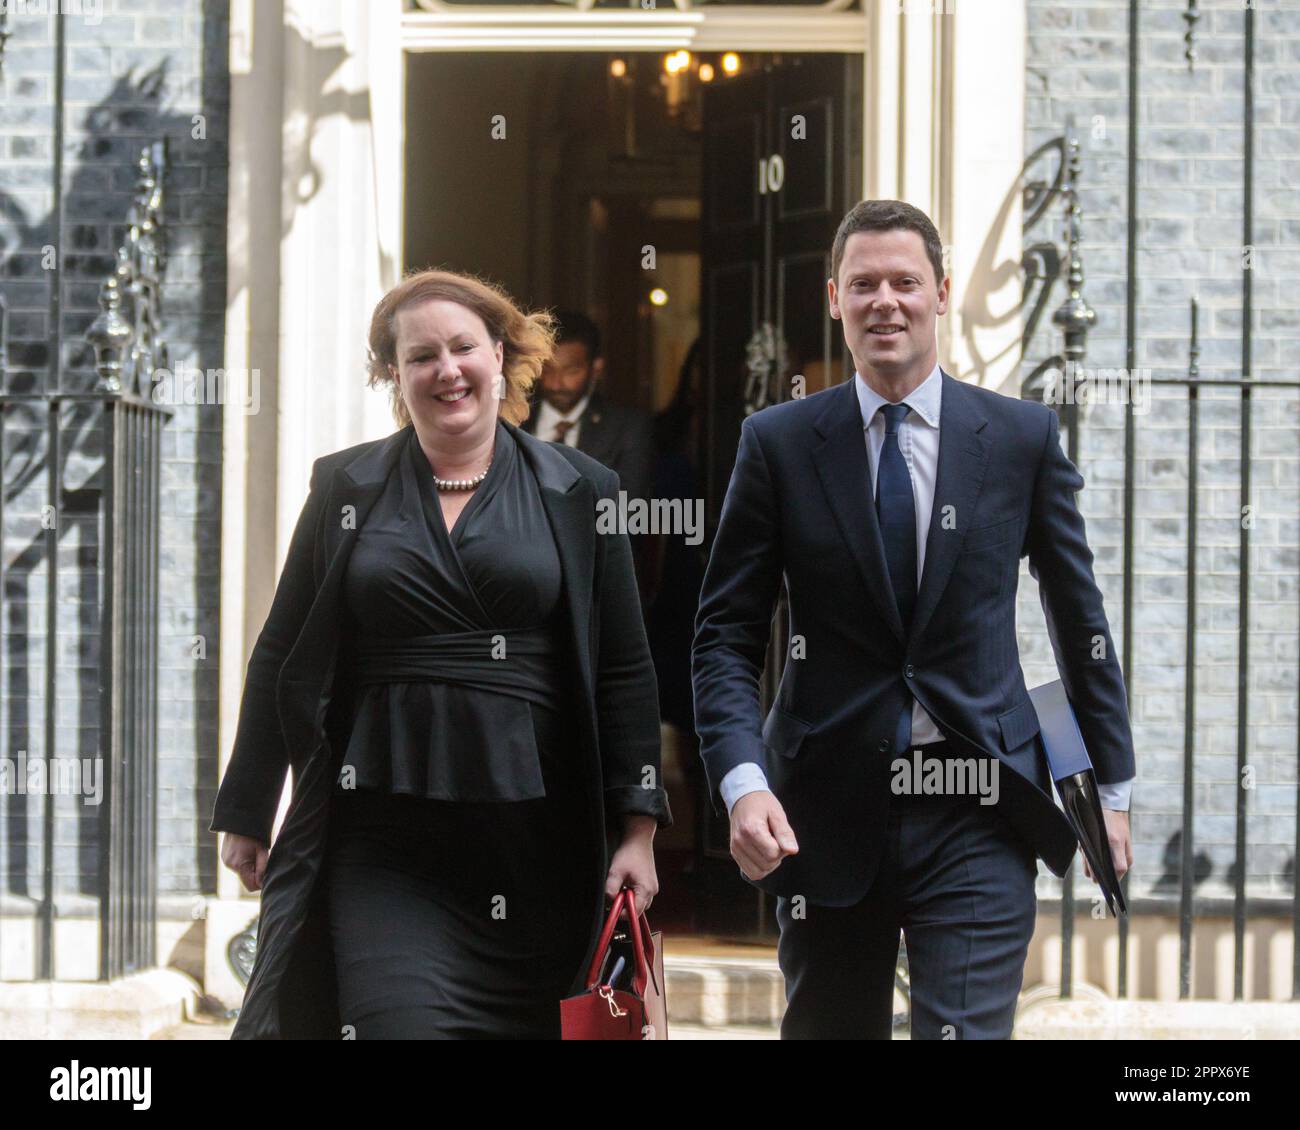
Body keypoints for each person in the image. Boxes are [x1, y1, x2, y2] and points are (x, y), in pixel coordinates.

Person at [691, 199, 1136, 1040]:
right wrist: (741, 782)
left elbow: (1079, 616)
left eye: (904, 281)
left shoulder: (1018, 438)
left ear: (941, 292)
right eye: (862, 284)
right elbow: (724, 634)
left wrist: (1109, 789)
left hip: (977, 803)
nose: (883, 301)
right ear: (833, 298)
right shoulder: (779, 443)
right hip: (821, 813)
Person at [211, 268, 670, 1039]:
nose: (446, 370)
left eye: (464, 347)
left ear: (501, 354)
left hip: (538, 847)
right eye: (421, 356)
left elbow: (624, 664)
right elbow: (283, 646)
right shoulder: (344, 486)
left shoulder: (581, 488)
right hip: (383, 841)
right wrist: (249, 807)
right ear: (395, 375)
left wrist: (638, 831)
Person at [520, 309, 654, 506]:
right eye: (547, 369)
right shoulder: (513, 419)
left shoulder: (626, 428)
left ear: (596, 369)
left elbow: (628, 509)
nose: (556, 384)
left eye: (571, 371)